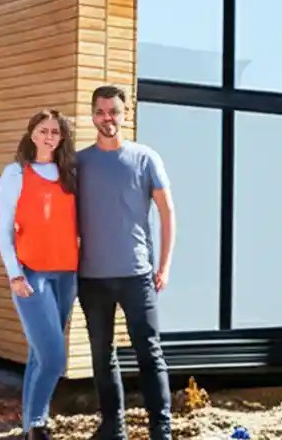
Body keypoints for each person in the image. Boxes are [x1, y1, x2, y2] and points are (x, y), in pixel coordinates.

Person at [76, 85, 176, 440]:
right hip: (91, 279)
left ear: (125, 113)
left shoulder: (146, 158)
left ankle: (160, 429)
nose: (108, 119)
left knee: (150, 353)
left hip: (137, 276)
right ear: (93, 115)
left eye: (114, 112)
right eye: (101, 112)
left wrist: (163, 266)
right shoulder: (79, 162)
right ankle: (113, 428)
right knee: (103, 357)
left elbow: (167, 212)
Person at [0, 109, 80, 440]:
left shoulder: (69, 172)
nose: (49, 136)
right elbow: (3, 229)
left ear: (62, 138)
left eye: (55, 132)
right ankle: (40, 423)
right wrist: (14, 274)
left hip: (67, 275)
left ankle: (30, 427)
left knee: (39, 353)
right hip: (32, 275)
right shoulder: (16, 173)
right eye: (43, 130)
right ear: (32, 134)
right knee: (54, 358)